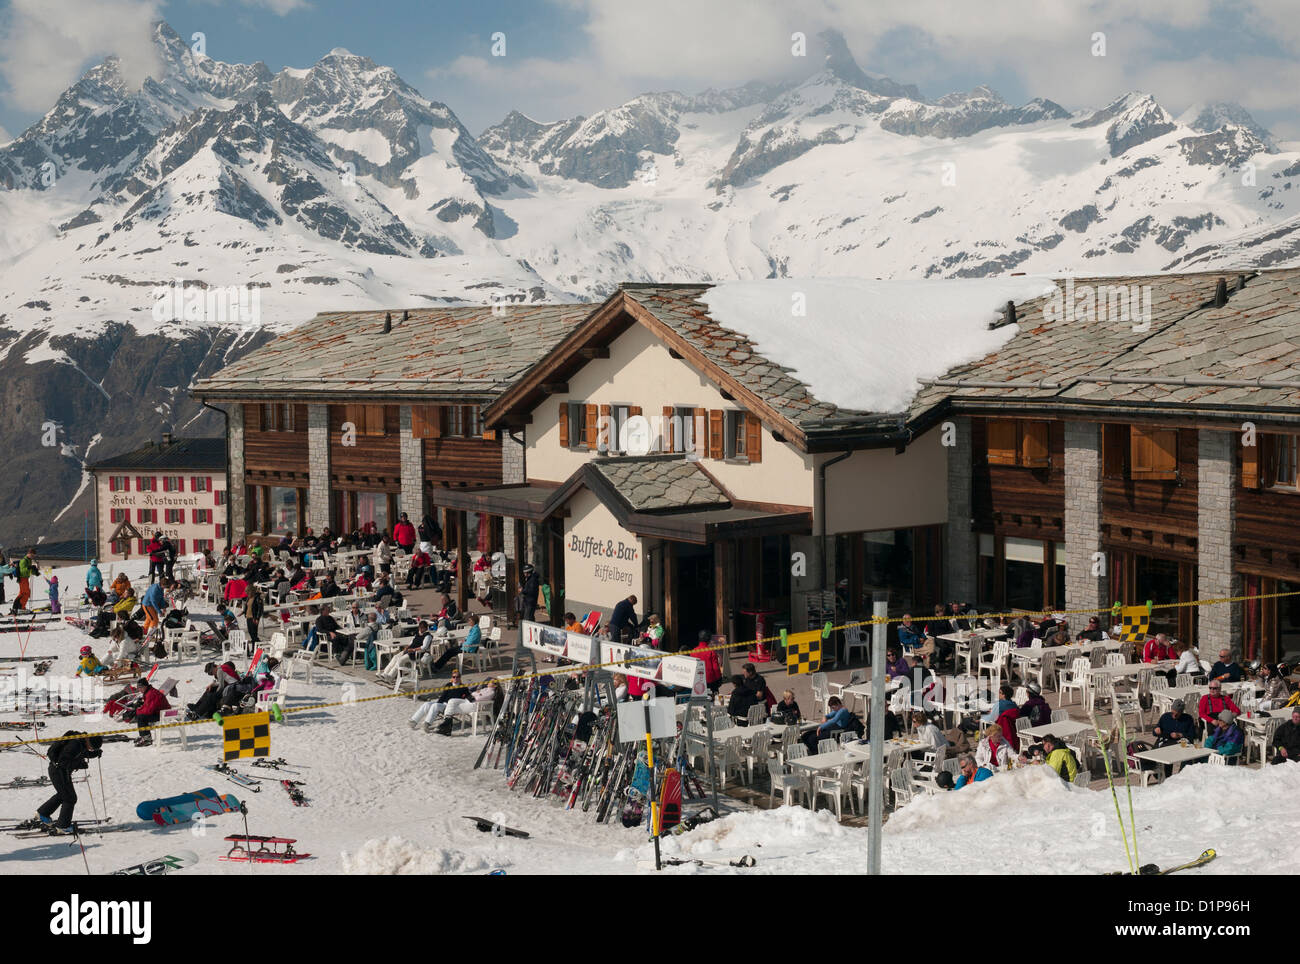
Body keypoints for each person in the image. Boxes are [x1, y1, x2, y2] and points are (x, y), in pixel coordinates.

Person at [35, 732, 103, 832]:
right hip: (58, 771)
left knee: (63, 794)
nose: (90, 749)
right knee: (70, 798)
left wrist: (95, 753)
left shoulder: (81, 742)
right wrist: (80, 764)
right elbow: (64, 762)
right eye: (92, 748)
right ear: (90, 742)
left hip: (59, 771)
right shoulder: (75, 744)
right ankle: (63, 826)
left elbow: (83, 753)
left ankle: (43, 813)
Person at [406, 669, 472, 732]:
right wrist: (438, 703)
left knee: (435, 706)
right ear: (452, 677)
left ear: (460, 678)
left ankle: (427, 723)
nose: (455, 678)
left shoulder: (463, 687)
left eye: (457, 677)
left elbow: (469, 696)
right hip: (443, 703)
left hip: (450, 707)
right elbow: (443, 696)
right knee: (427, 704)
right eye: (454, 677)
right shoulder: (448, 685)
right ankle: (414, 721)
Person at [129, 677, 170, 747]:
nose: (139, 689)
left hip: (163, 714)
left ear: (145, 686)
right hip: (159, 712)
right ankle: (143, 736)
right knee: (140, 716)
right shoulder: (148, 692)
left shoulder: (151, 694)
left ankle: (147, 739)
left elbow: (148, 710)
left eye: (140, 687)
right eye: (138, 688)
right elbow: (147, 707)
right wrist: (138, 710)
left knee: (141, 717)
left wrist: (137, 711)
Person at [11, 548, 38, 614]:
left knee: (23, 592)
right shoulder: (24, 561)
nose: (33, 557)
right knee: (25, 593)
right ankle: (20, 607)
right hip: (22, 578)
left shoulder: (29, 560)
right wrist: (29, 568)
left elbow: (29, 570)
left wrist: (35, 572)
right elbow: (22, 570)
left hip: (25, 578)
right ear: (28, 554)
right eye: (32, 555)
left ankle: (16, 607)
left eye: (33, 555)